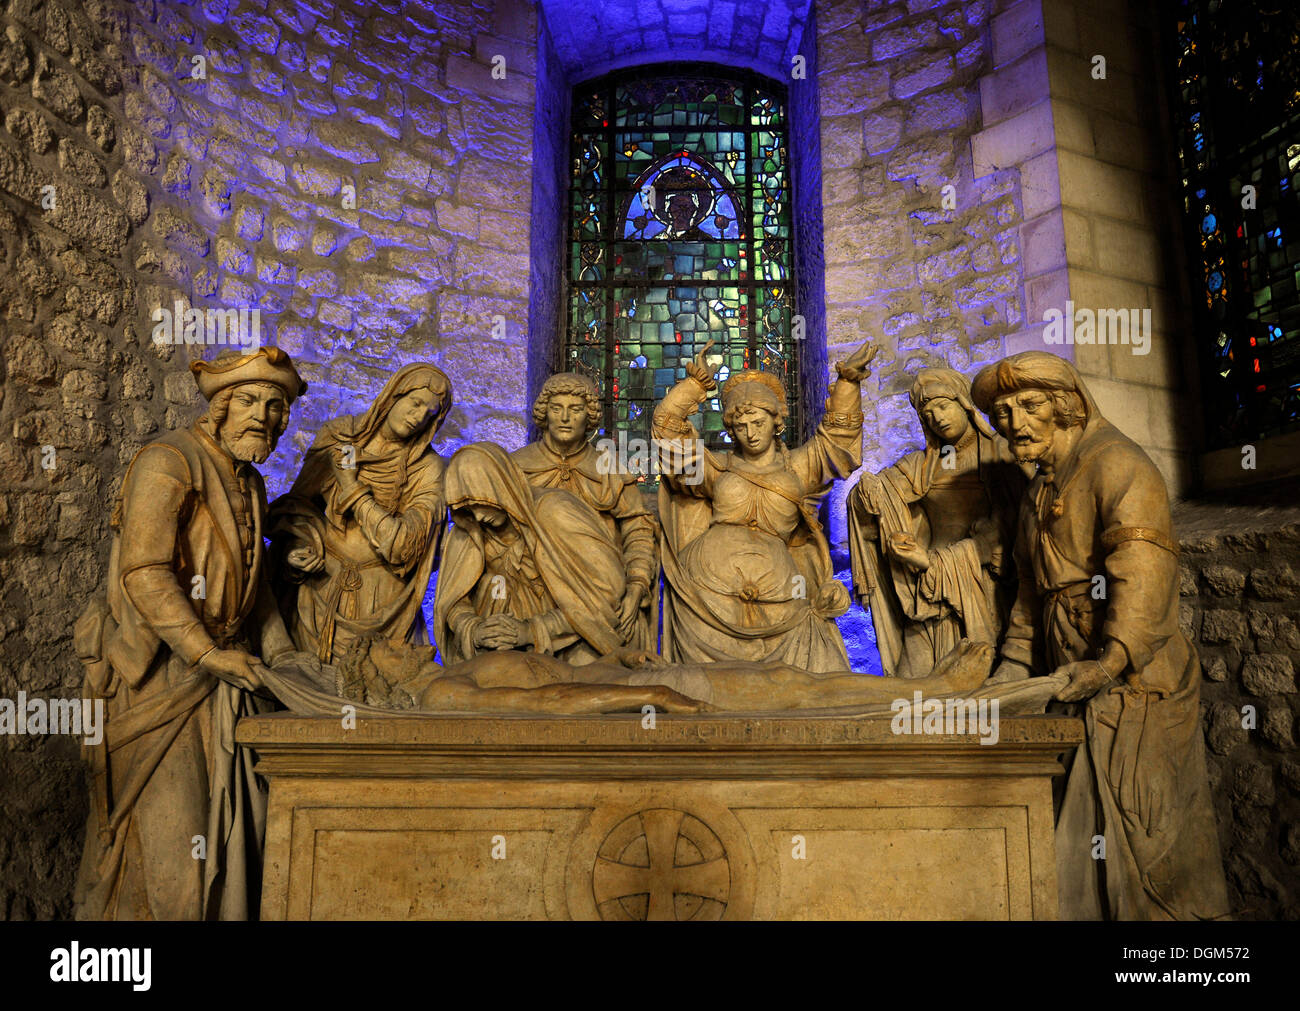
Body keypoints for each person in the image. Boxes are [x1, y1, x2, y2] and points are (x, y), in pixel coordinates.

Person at [973, 350, 1230, 921]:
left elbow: (1142, 567)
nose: (1013, 421)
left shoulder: (1117, 464)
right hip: (1070, 675)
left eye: (1028, 405)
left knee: (1147, 825)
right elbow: (1031, 593)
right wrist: (1012, 670)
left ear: (1065, 407)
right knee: (1081, 819)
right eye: (1003, 410)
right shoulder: (1040, 489)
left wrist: (1111, 661)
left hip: (1137, 679)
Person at [72, 347, 307, 920]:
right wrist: (206, 652)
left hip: (222, 683)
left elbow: (255, 593)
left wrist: (287, 661)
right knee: (173, 848)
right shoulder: (169, 460)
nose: (263, 415)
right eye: (248, 400)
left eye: (276, 405)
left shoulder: (248, 482)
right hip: (158, 680)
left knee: (226, 840)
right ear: (222, 406)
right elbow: (145, 572)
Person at [652, 338, 873, 671]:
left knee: (813, 682)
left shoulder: (799, 467)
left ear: (776, 422)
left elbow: (838, 444)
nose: (750, 434)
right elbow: (668, 438)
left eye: (758, 423)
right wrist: (694, 386)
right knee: (707, 690)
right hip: (706, 593)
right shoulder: (718, 469)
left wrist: (848, 382)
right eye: (740, 427)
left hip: (781, 595)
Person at [848, 367, 1025, 678]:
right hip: (927, 590)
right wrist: (867, 493)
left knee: (976, 684)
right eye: (927, 415)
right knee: (909, 684)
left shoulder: (1000, 452)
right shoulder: (923, 465)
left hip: (980, 586)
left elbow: (1013, 530)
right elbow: (878, 495)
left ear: (964, 404)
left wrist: (936, 562)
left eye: (943, 407)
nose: (937, 419)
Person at [270, 363, 452, 664]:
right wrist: (297, 551)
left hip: (383, 604)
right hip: (319, 588)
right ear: (393, 395)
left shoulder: (427, 468)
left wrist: (352, 489)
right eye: (415, 403)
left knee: (378, 694)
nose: (418, 417)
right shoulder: (338, 437)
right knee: (308, 686)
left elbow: (403, 546)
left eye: (430, 414)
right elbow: (297, 508)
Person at [432, 442, 629, 666]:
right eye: (467, 509)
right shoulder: (470, 532)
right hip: (499, 645)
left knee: (584, 683)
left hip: (572, 637)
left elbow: (608, 589)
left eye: (480, 503)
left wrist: (532, 630)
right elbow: (452, 600)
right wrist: (473, 627)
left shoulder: (555, 511)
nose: (477, 516)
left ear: (500, 487)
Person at [512, 372, 658, 649]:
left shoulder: (609, 469)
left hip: (598, 592)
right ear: (544, 413)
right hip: (531, 590)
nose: (565, 418)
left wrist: (636, 586)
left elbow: (638, 529)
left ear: (589, 416)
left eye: (575, 409)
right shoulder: (516, 467)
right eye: (556, 409)